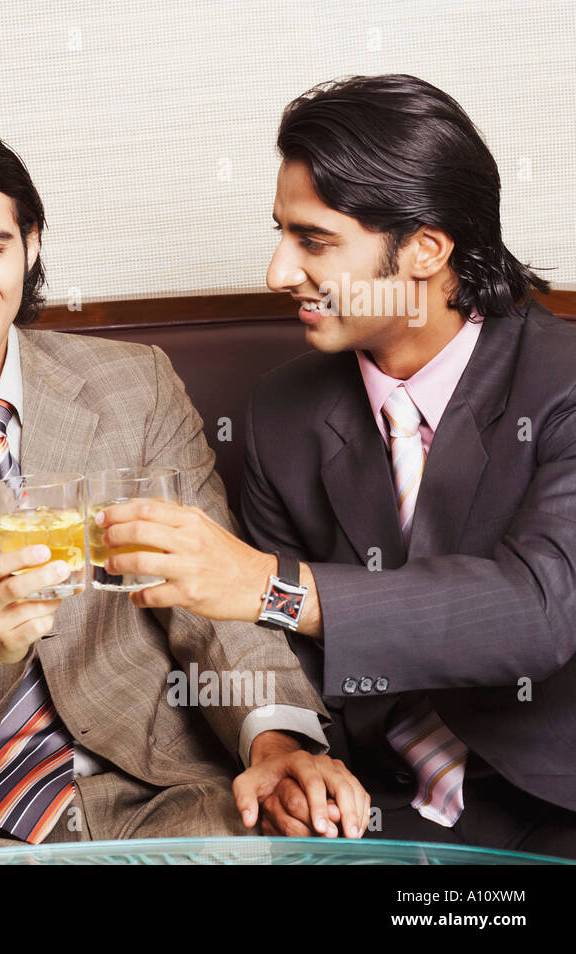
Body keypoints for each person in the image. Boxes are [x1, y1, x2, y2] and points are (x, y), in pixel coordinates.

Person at [0, 118, 369, 859]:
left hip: (173, 798)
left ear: (31, 244)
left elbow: (212, 602)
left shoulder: (136, 385)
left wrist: (274, 744)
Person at [103, 75, 576, 857]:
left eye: (314, 241)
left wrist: (271, 585)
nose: (278, 272)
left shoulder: (561, 382)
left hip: (555, 803)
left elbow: (538, 609)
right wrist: (288, 756)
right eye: (281, 234)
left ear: (426, 247)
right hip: (371, 810)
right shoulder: (283, 410)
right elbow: (273, 651)